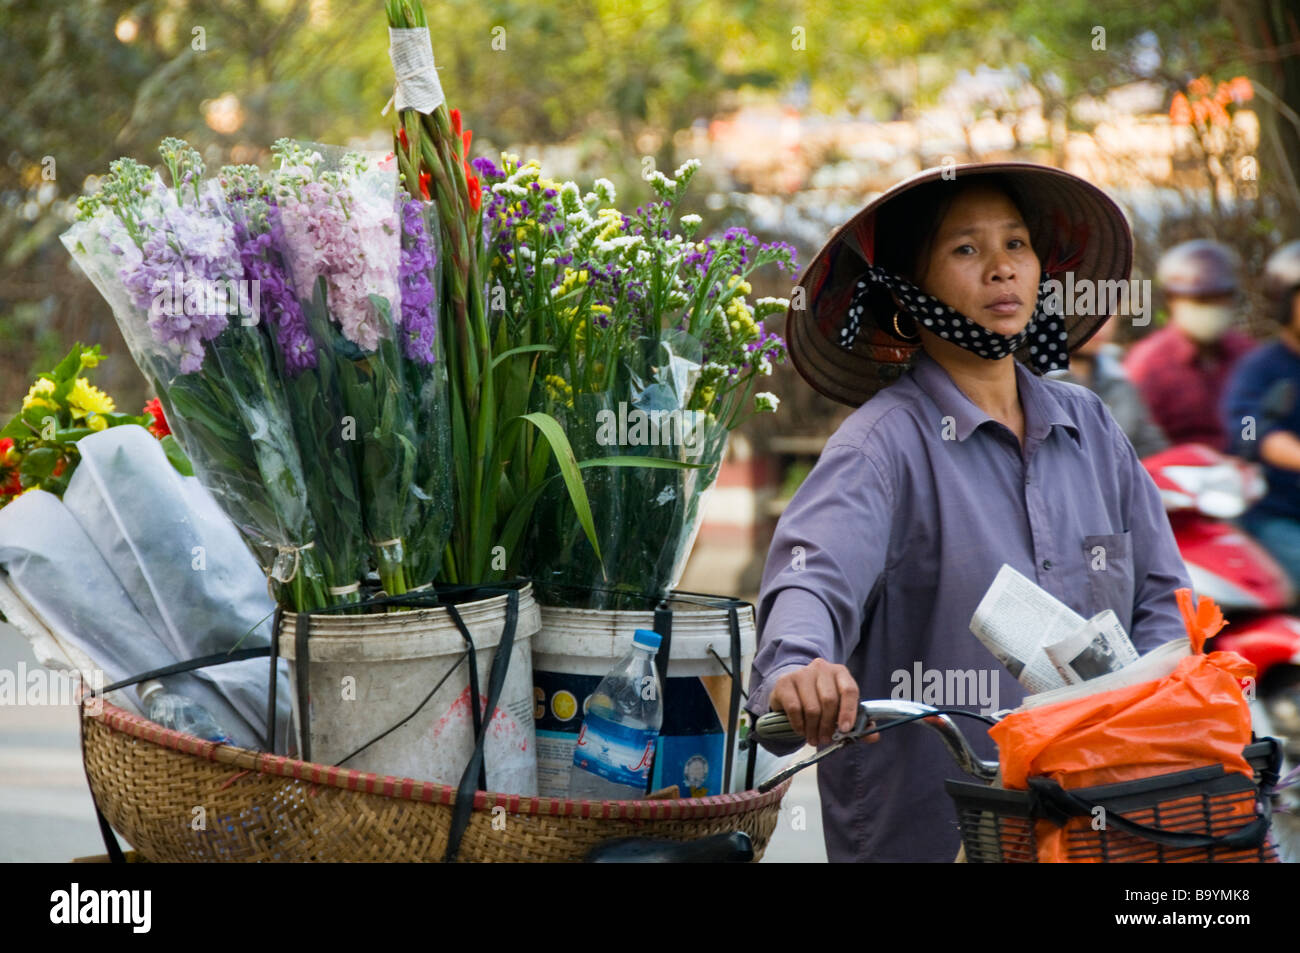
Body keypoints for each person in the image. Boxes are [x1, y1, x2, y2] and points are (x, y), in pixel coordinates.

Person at [749, 162, 1193, 863]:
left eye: (1016, 244)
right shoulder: (880, 447)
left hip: (1099, 827)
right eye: (966, 249)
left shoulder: (1092, 427)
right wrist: (800, 666)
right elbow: (812, 576)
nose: (1001, 269)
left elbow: (1165, 596)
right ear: (907, 292)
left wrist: (1154, 699)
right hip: (932, 831)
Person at [1123, 240, 1256, 450]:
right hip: (1172, 476)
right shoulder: (1148, 364)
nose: (1210, 309)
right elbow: (1137, 442)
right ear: (1173, 299)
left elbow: (1254, 419)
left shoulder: (1245, 354)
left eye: (1218, 299)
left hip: (1246, 473)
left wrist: (1250, 448)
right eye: (1200, 300)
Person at [1221, 241, 1300, 592]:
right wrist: (1272, 443)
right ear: (1285, 304)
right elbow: (1248, 430)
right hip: (1277, 516)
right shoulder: (1261, 368)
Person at [1047, 315, 1170, 459]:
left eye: (1105, 312)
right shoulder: (1034, 380)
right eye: (1081, 309)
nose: (1095, 322)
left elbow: (1149, 445)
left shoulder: (1118, 373)